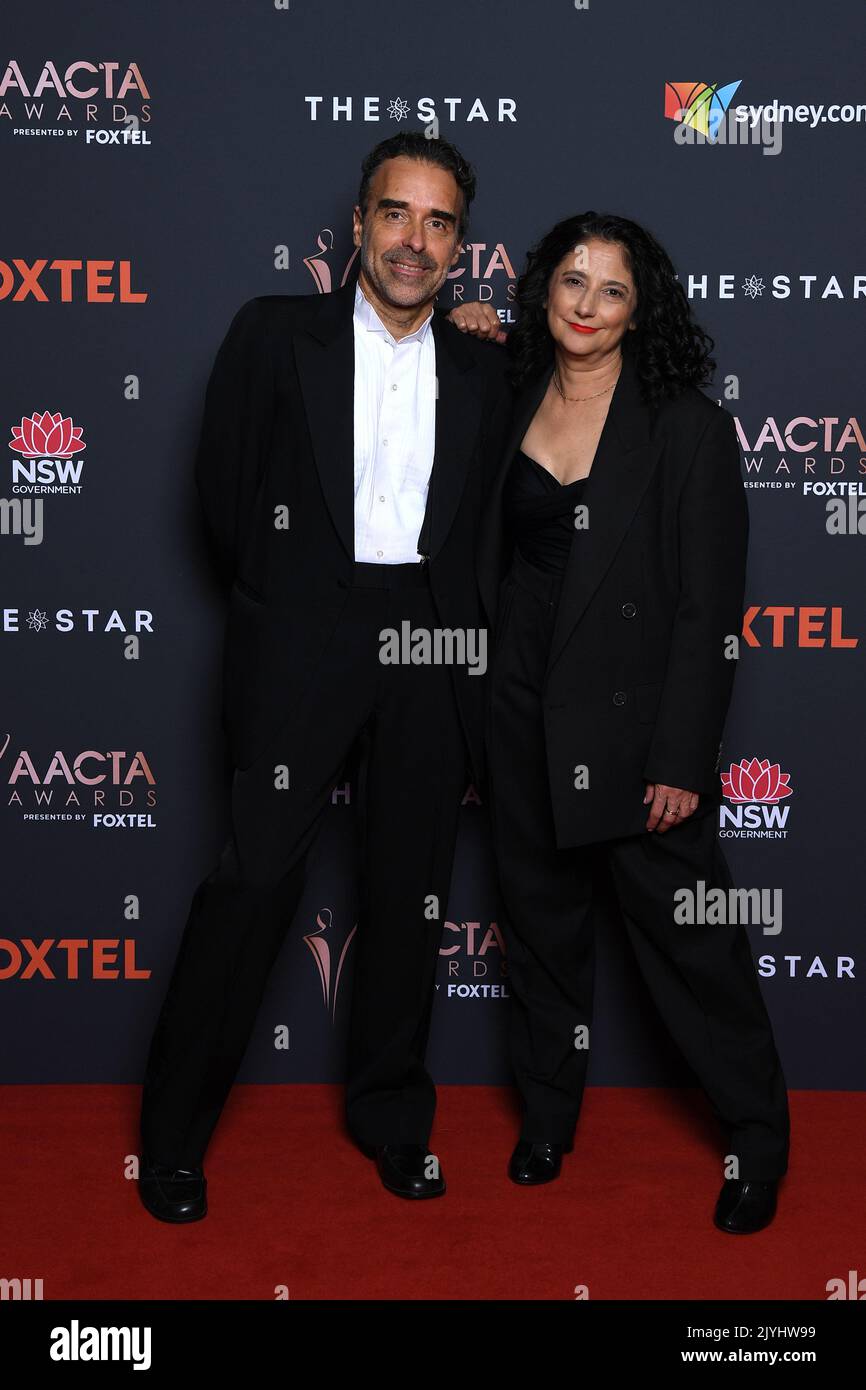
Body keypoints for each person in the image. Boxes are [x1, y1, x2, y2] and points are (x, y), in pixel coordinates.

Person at [138, 132, 512, 1220]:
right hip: (301, 634)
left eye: (438, 222)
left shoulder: (486, 363)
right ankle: (171, 1138)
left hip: (431, 647)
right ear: (356, 225)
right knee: (253, 880)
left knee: (410, 891)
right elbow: (223, 501)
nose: (414, 240)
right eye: (395, 214)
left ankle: (393, 1119)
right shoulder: (269, 335)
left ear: (460, 247)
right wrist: (292, 606)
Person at [451, 212, 790, 1233]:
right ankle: (546, 1121)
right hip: (519, 709)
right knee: (542, 931)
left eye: (610, 290)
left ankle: (755, 1139)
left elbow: (705, 607)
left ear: (640, 309)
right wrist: (460, 327)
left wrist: (681, 755)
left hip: (637, 734)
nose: (585, 307)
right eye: (570, 282)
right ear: (542, 291)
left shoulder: (680, 423)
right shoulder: (508, 388)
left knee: (694, 953)